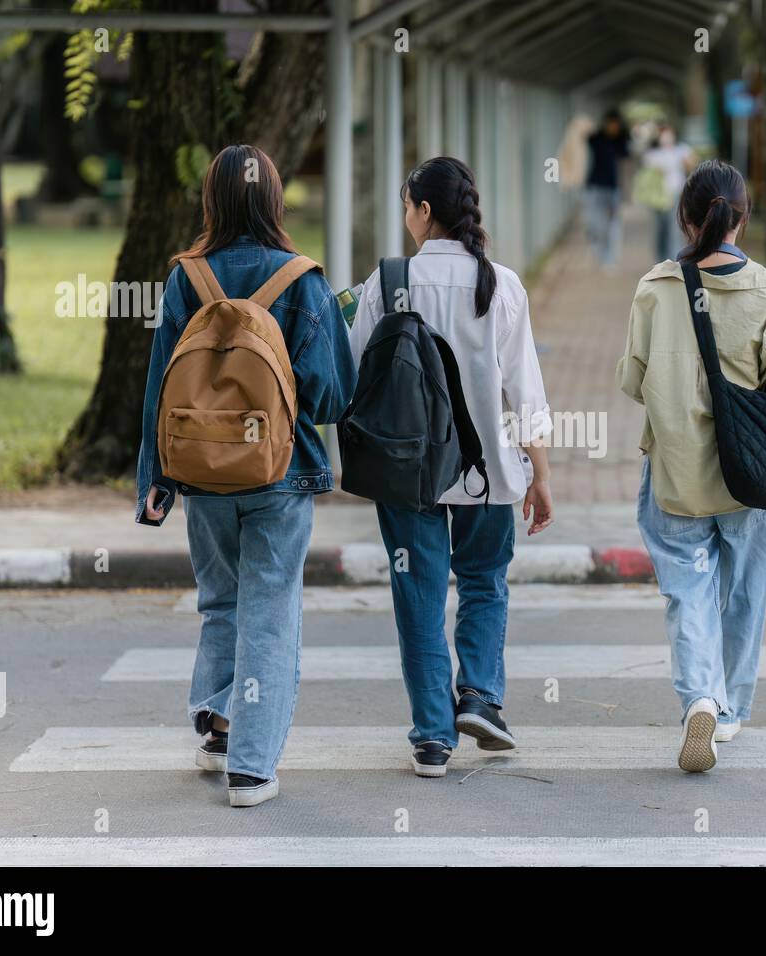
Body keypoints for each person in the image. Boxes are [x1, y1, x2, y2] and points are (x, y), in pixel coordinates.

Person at [135, 144, 356, 807]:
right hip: (278, 477)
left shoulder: (186, 278)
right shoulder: (302, 279)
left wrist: (156, 480)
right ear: (274, 200)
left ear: (213, 201)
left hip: (201, 476)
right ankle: (252, 768)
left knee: (221, 601)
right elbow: (331, 395)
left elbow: (159, 390)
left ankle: (218, 718)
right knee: (270, 612)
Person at [348, 157, 555, 779]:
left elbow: (355, 370)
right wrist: (540, 476)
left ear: (423, 210)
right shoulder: (501, 283)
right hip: (488, 471)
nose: (405, 218)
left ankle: (433, 737)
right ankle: (482, 698)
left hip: (406, 471)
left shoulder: (385, 284)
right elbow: (527, 391)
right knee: (485, 583)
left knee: (418, 594)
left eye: (406, 206)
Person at [617, 159, 766, 773]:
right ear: (742, 219)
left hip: (677, 470)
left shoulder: (656, 287)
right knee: (745, 589)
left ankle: (699, 695)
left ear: (685, 216)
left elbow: (632, 380)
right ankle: (727, 711)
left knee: (687, 589)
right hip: (750, 475)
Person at [639, 124, 695, 262]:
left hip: (675, 195)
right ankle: (660, 260)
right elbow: (650, 171)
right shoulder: (652, 153)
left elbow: (692, 163)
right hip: (657, 198)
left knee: (673, 228)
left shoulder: (681, 149)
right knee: (659, 229)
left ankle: (674, 260)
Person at [584, 109, 631, 268]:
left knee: (613, 224)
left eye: (615, 124)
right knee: (596, 223)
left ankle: (611, 257)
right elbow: (584, 137)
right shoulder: (596, 138)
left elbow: (626, 156)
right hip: (595, 186)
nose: (613, 127)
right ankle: (599, 253)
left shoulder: (621, 140)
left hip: (614, 188)